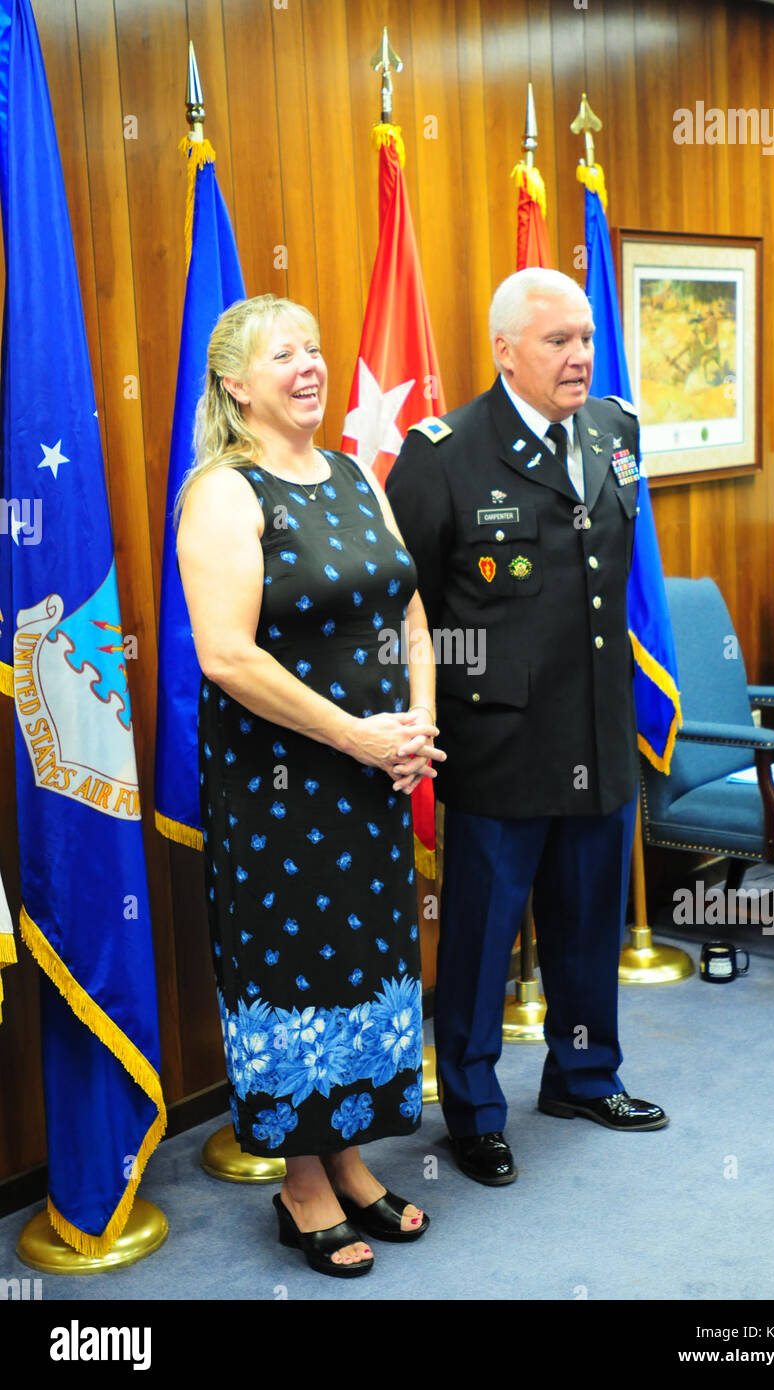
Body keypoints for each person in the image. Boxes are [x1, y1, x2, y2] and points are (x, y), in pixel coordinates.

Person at [176, 294, 444, 1275]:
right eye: (281, 354)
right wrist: (359, 738)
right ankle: (301, 1188)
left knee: (361, 965)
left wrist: (416, 726)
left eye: (316, 349)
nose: (309, 365)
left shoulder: (348, 475)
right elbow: (225, 657)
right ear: (234, 383)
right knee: (295, 970)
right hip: (277, 786)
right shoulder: (224, 493)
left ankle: (348, 1159)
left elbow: (410, 615)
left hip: (371, 777)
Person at [386, 267, 667, 1187]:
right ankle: (471, 1109)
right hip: (500, 745)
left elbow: (607, 578)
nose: (580, 355)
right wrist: (474, 692)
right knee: (478, 940)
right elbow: (413, 612)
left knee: (586, 923)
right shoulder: (445, 453)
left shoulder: (615, 430)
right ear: (505, 349)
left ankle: (584, 1075)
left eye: (584, 337)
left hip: (596, 731)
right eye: (557, 341)